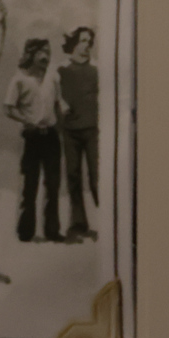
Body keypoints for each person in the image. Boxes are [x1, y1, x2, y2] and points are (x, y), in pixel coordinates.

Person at [4, 37, 63, 244]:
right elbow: (8, 108)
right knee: (29, 185)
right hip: (31, 137)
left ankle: (52, 231)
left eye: (48, 51)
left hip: (51, 136)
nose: (46, 56)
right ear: (31, 54)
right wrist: (26, 121)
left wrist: (60, 124)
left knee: (53, 185)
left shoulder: (53, 77)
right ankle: (25, 231)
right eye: (41, 52)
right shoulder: (19, 80)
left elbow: (58, 104)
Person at [57, 25, 101, 241]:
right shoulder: (61, 70)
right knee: (73, 177)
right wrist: (61, 104)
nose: (87, 46)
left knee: (97, 177)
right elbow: (54, 94)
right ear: (74, 43)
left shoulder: (97, 69)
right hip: (70, 131)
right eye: (83, 41)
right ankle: (78, 224)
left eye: (89, 42)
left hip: (93, 131)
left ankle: (108, 219)